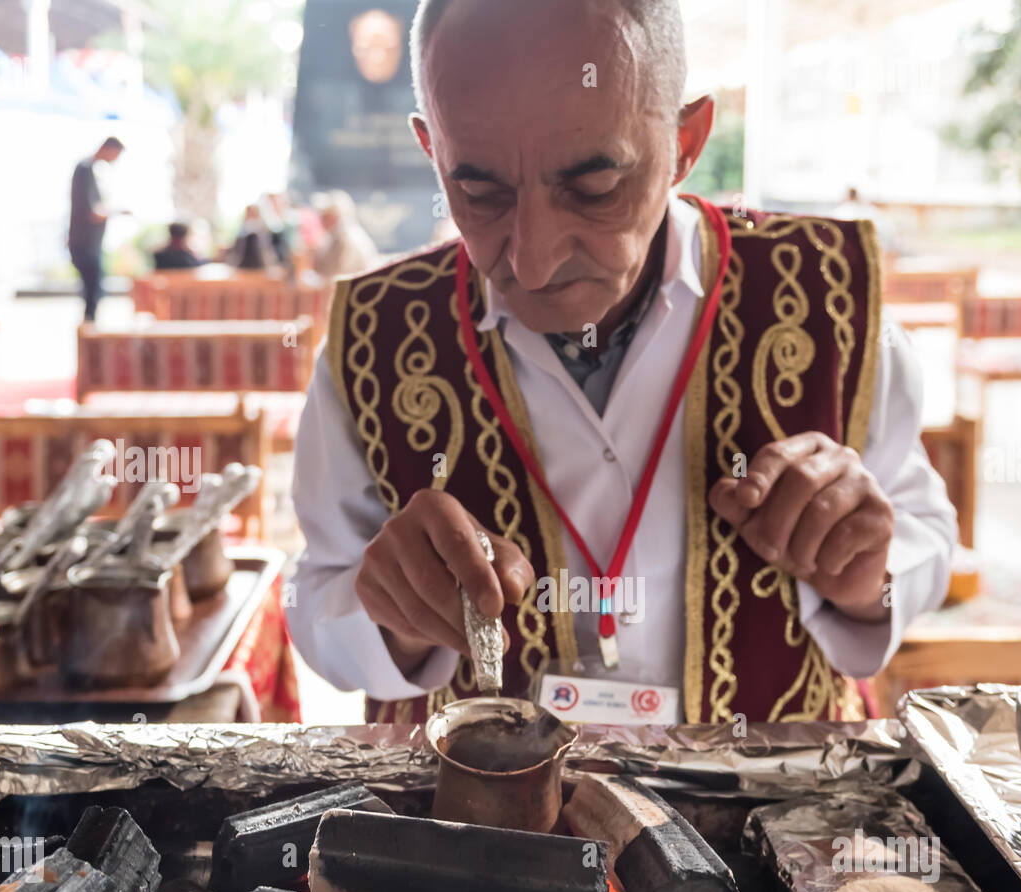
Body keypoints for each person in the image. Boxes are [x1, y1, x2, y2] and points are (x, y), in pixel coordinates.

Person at [288, 0, 958, 724]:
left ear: (686, 140)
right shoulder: (376, 335)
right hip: (480, 826)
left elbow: (922, 531)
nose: (534, 260)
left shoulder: (825, 295)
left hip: (766, 822)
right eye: (478, 193)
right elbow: (314, 597)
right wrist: (392, 616)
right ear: (432, 150)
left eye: (595, 188)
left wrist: (866, 577)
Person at [68, 137, 124, 322]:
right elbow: (92, 212)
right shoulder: (85, 170)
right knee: (93, 288)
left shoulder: (89, 170)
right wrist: (118, 211)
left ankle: (90, 325)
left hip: (89, 242)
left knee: (95, 287)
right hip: (85, 242)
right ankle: (89, 329)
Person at [311, 190, 380, 281]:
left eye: (325, 216)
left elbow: (337, 276)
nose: (321, 220)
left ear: (334, 216)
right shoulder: (337, 236)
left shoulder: (347, 239)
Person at [224, 203, 282, 271]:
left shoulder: (262, 229)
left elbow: (266, 249)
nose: (249, 215)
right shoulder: (244, 229)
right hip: (245, 265)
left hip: (259, 264)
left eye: (250, 213)